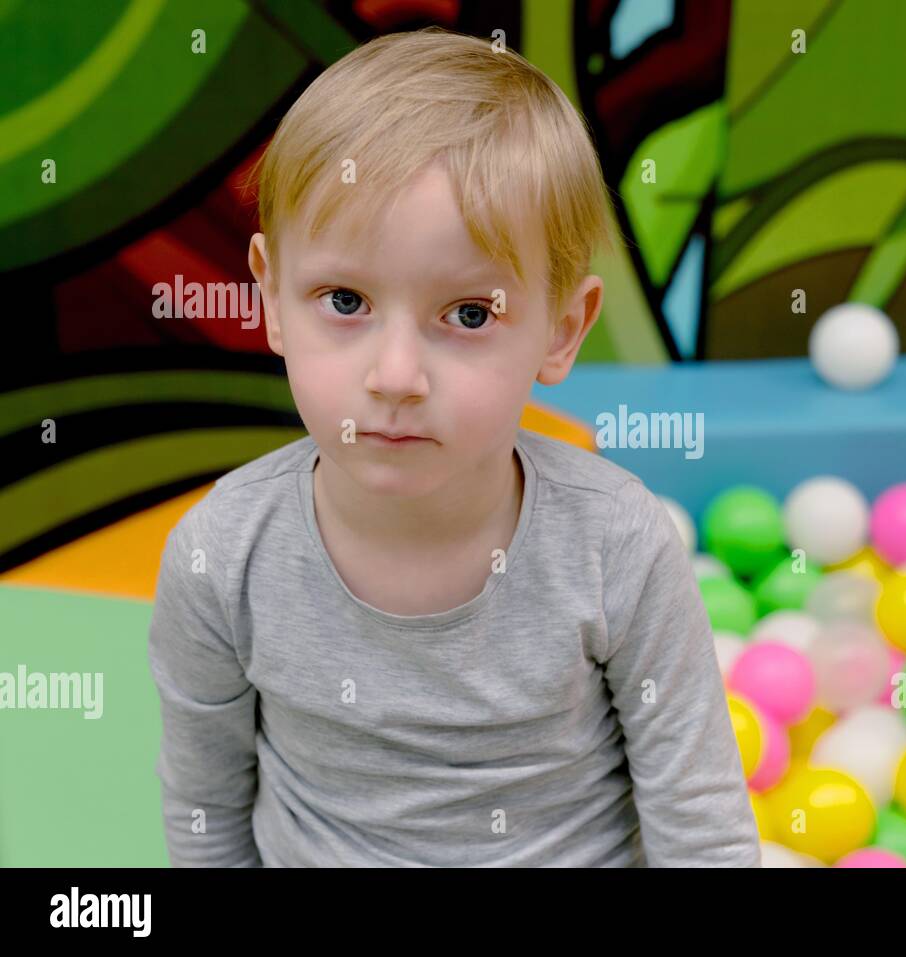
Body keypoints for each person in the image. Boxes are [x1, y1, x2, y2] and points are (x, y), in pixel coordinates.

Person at [147, 27, 761, 867]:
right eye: (345, 298)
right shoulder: (221, 557)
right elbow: (205, 813)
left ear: (562, 329)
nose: (396, 375)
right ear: (273, 298)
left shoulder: (617, 544)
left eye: (469, 314)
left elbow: (701, 828)